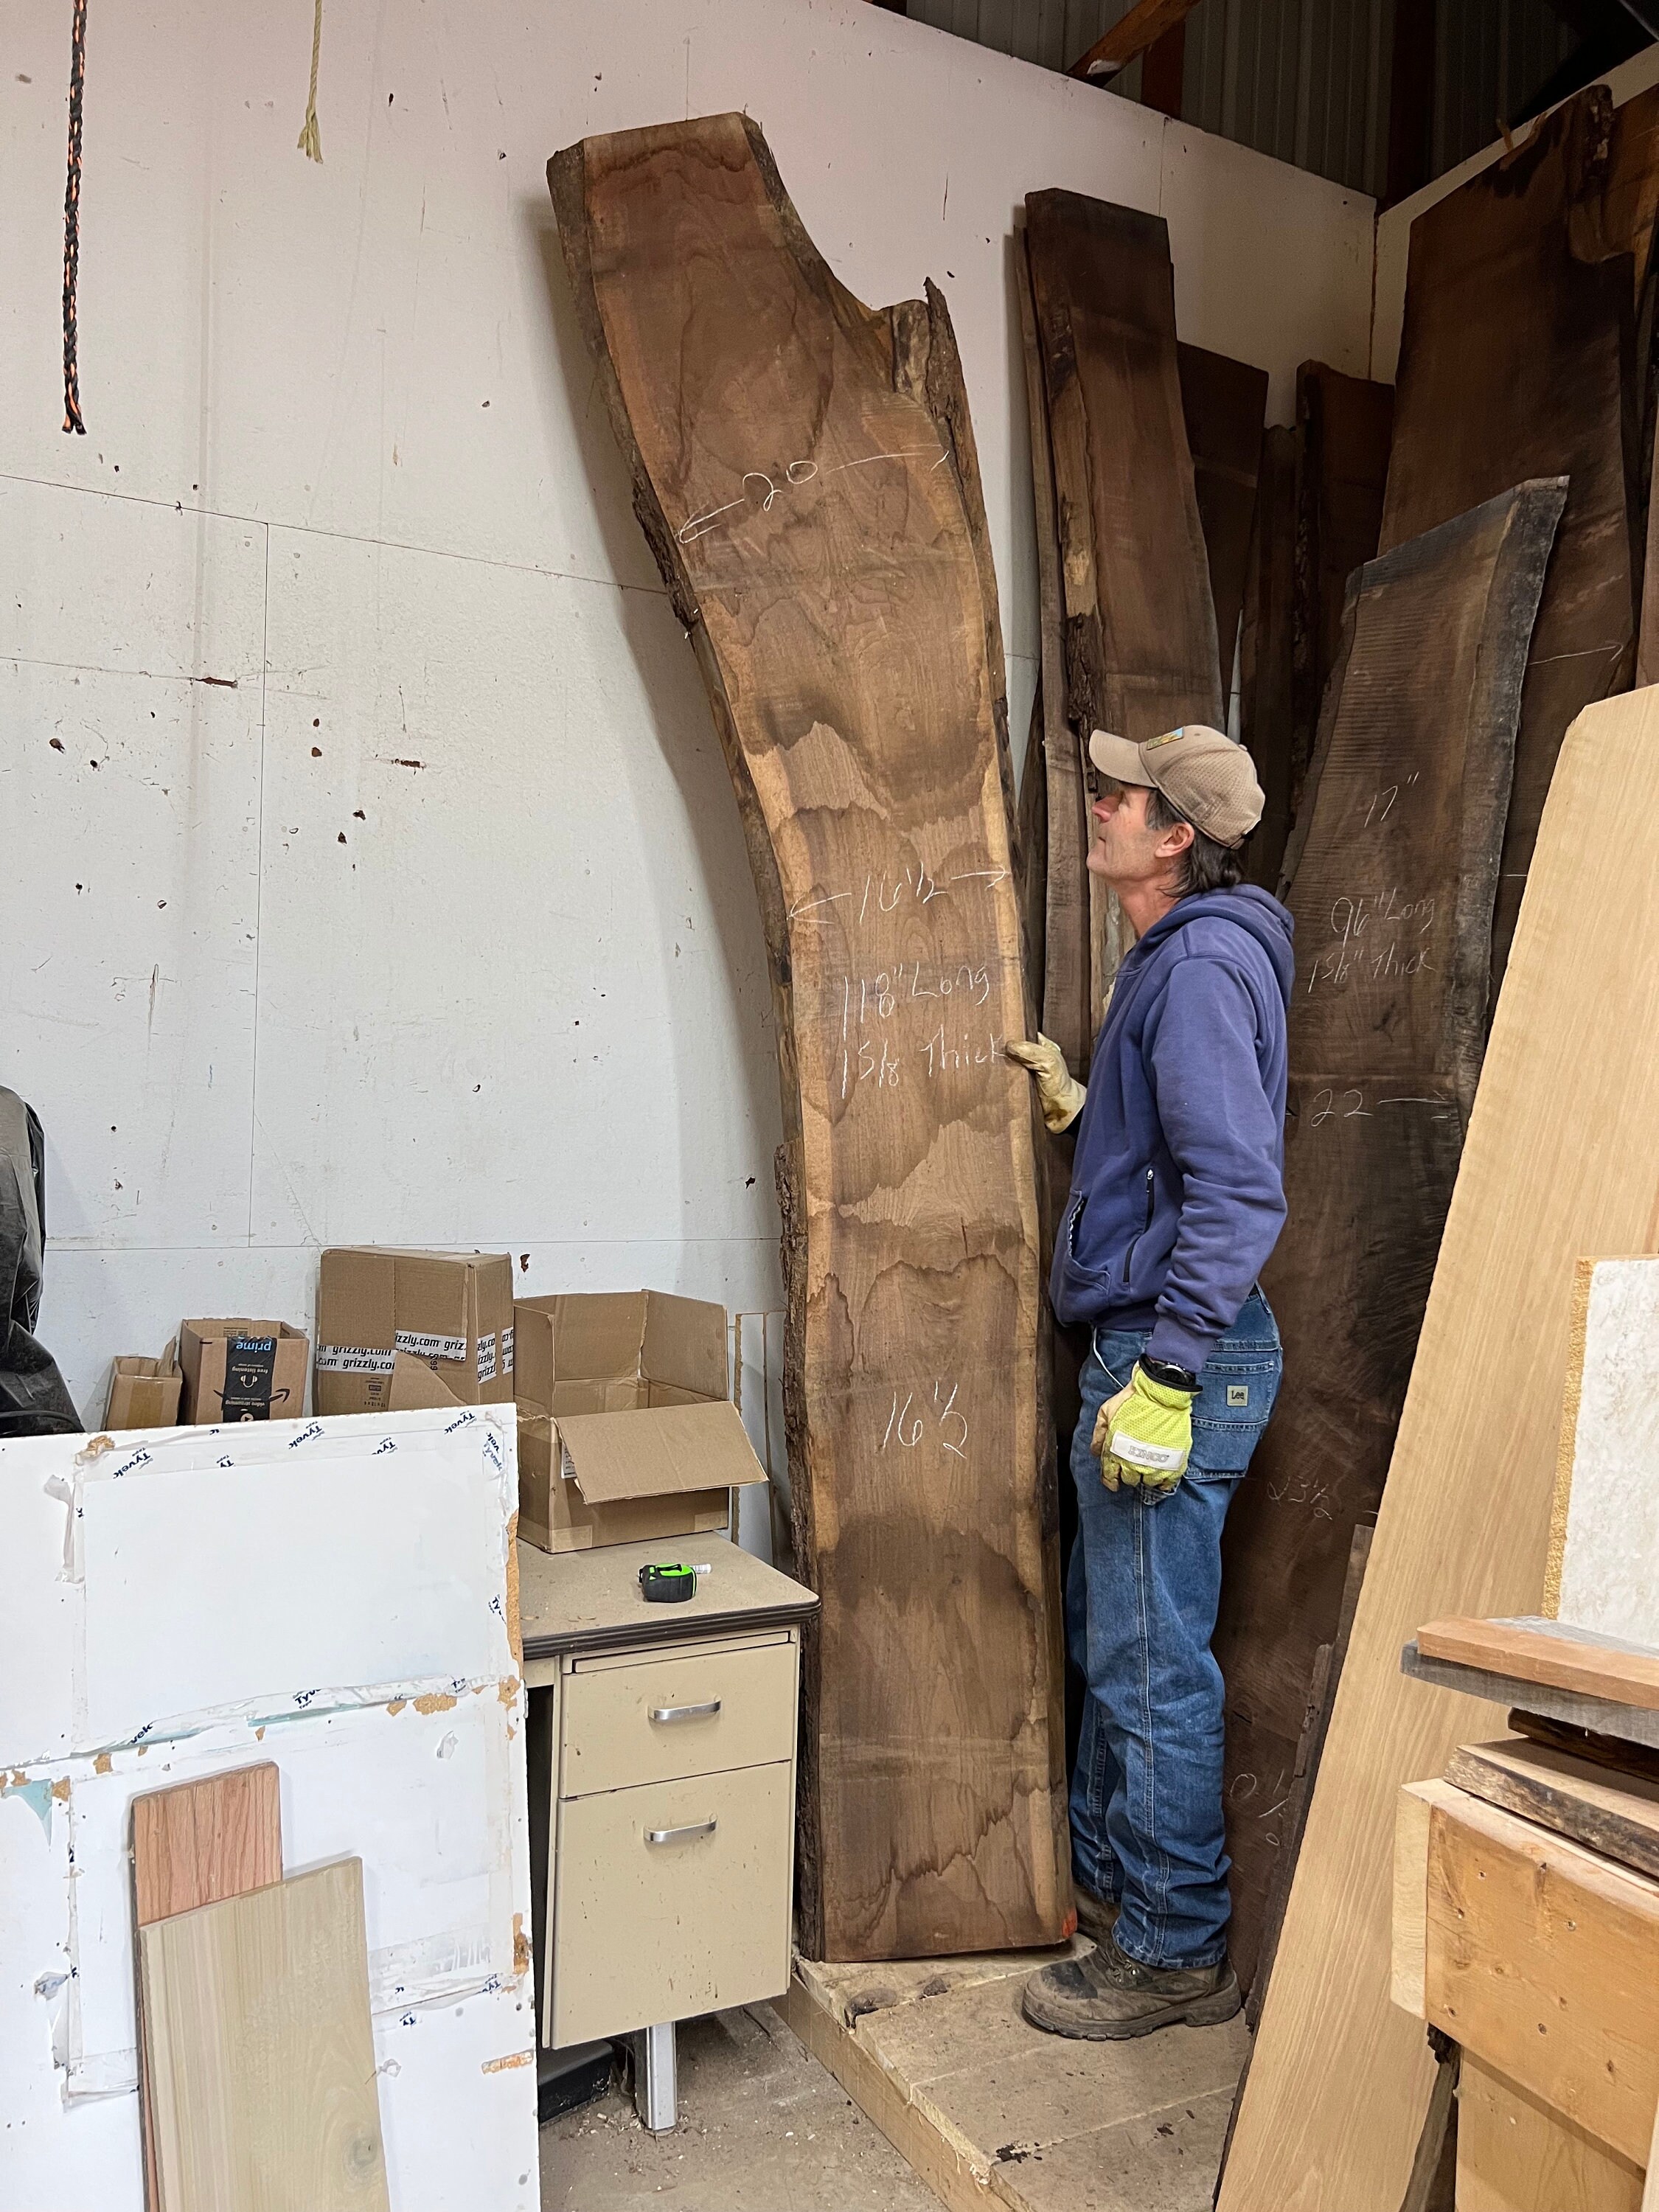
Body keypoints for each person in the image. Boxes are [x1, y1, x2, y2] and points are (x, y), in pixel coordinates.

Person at [1007, 723, 1292, 2042]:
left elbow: (1236, 1188)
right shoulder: (1172, 966)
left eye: (1119, 800)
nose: (1100, 811)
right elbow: (1178, 1159)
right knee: (1118, 1642)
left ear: (1174, 835)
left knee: (1149, 1664)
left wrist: (1167, 1370)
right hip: (1159, 1338)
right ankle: (1117, 1897)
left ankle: (1176, 1952)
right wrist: (1088, 1110)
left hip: (1173, 1352)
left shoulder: (1194, 974)